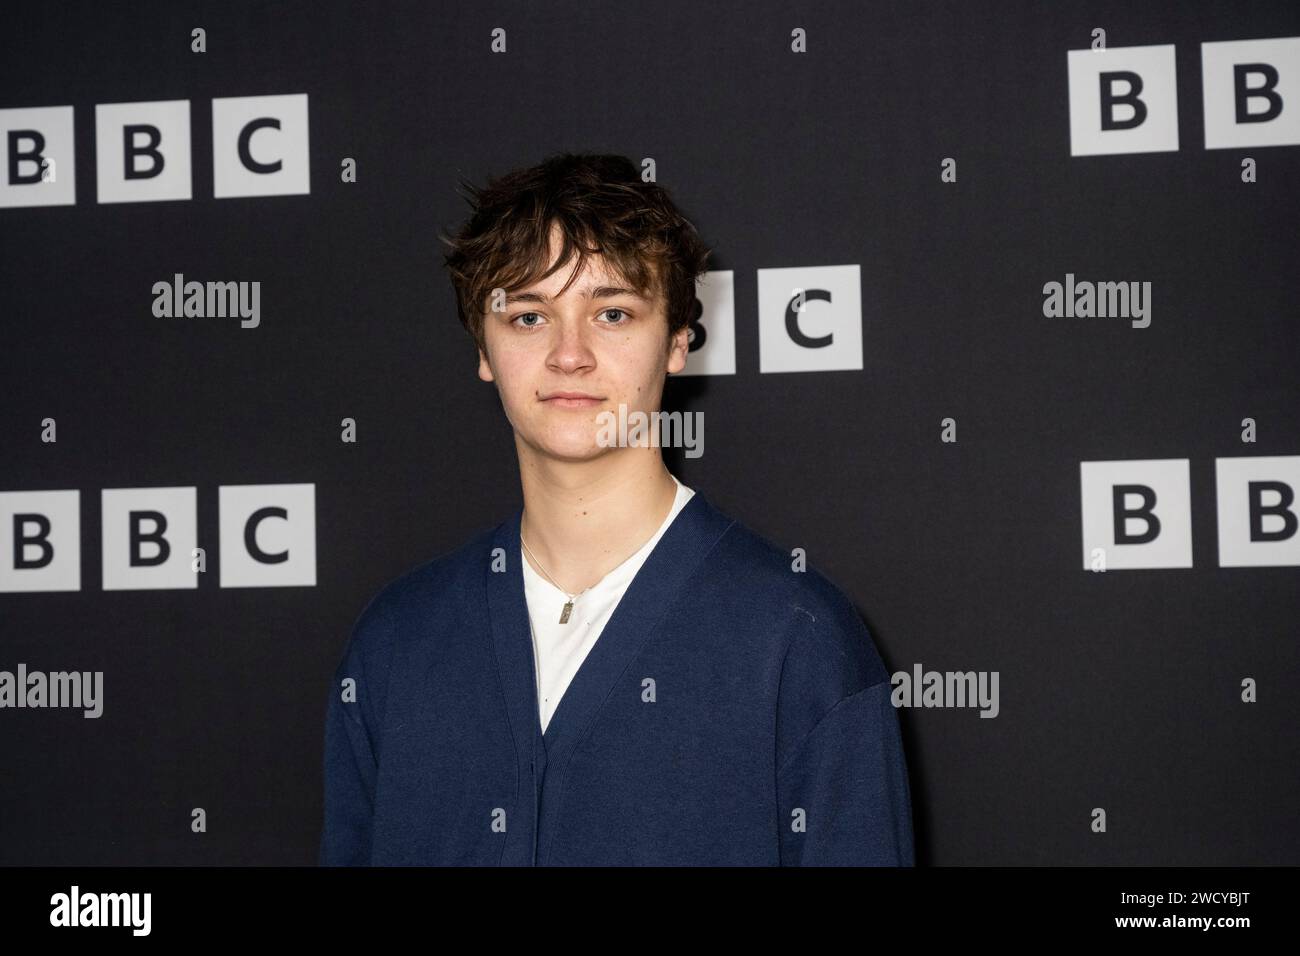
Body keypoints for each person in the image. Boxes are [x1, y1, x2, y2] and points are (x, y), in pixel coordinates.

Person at [318, 153, 915, 865]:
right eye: (529, 314)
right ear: (484, 345)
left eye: (612, 313)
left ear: (677, 343)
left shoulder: (797, 642)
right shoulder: (395, 642)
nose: (570, 354)